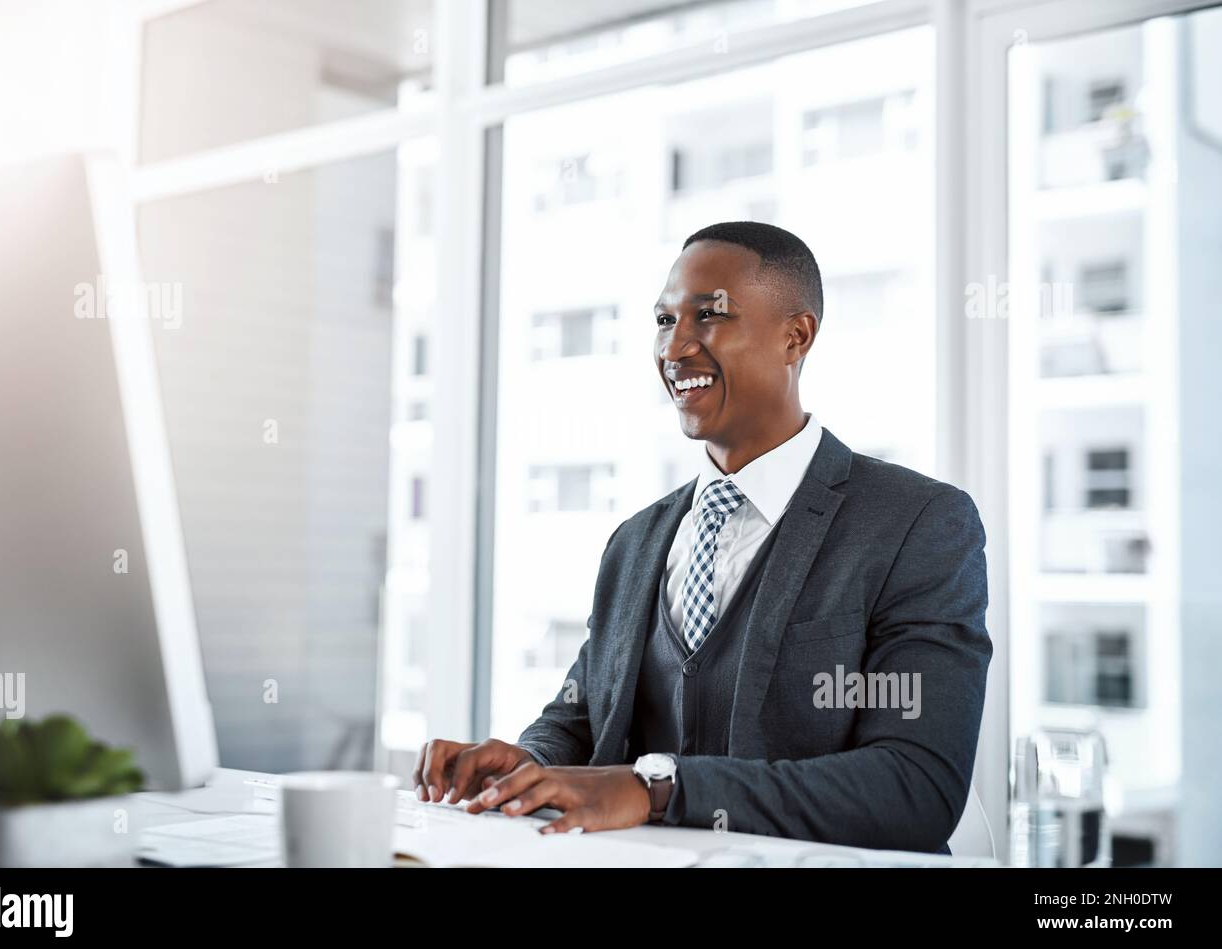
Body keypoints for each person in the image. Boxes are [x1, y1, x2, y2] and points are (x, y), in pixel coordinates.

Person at [414, 221, 991, 853]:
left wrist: (657, 789)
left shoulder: (918, 523)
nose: (675, 348)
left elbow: (917, 787)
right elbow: (580, 720)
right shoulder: (634, 544)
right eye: (664, 321)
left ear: (795, 337)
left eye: (709, 317)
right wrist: (526, 765)